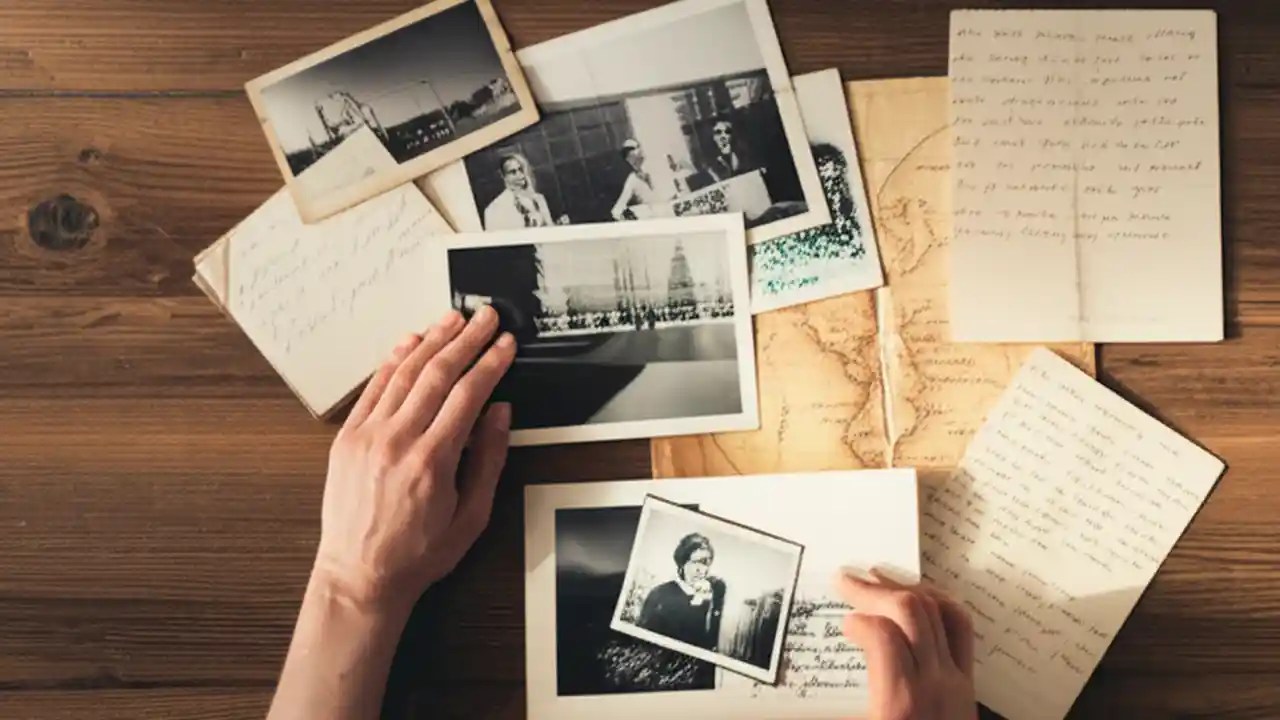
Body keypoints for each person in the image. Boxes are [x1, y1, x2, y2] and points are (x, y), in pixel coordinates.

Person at [266, 308, 978, 720]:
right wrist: (350, 585)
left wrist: (355, 582)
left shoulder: (723, 592)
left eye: (707, 558)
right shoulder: (668, 596)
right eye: (695, 558)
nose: (704, 566)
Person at [636, 533, 726, 651]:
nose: (701, 570)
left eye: (705, 563)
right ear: (682, 563)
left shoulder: (710, 601)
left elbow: (711, 644)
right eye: (695, 562)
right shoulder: (659, 594)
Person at [482, 153, 569, 230]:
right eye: (513, 172)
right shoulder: (494, 209)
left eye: (520, 170)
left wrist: (559, 225)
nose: (520, 175)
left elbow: (549, 230)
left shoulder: (538, 199)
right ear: (503, 176)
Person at [610, 139, 667, 220]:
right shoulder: (632, 180)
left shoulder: (658, 167)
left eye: (633, 150)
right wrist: (631, 217)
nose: (631, 157)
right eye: (627, 156)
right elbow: (616, 211)